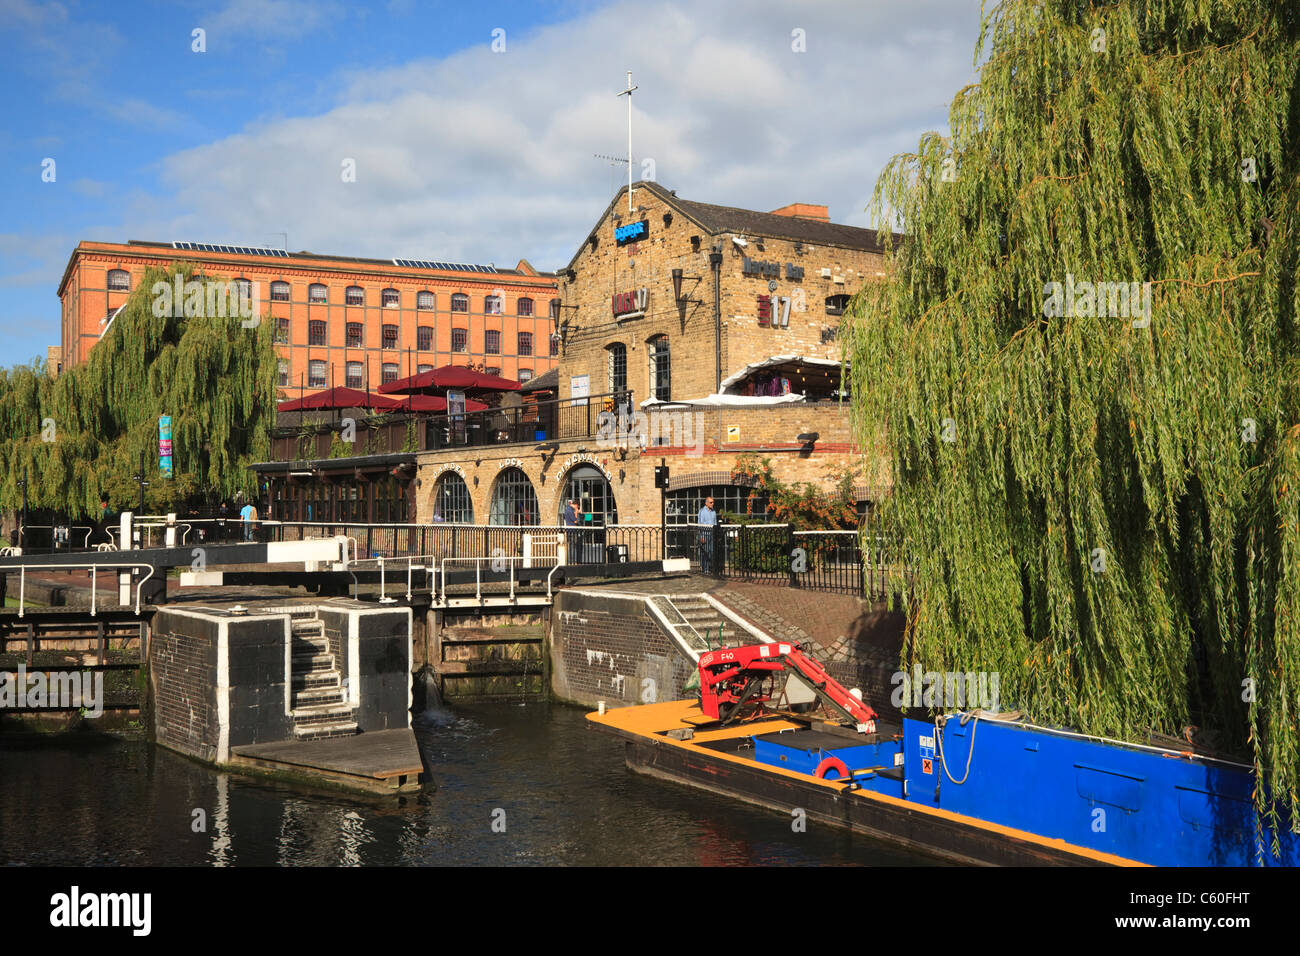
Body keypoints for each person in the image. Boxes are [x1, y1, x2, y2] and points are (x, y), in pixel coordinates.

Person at [697, 495, 717, 574]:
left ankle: (708, 568)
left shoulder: (714, 512)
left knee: (711, 551)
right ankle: (704, 569)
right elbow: (700, 524)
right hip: (705, 534)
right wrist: (701, 536)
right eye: (711, 502)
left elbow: (714, 523)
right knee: (705, 552)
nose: (712, 504)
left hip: (712, 534)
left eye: (713, 502)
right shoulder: (702, 511)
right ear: (706, 503)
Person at [563, 498, 580, 564]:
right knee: (572, 546)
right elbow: (575, 520)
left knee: (571, 546)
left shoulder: (567, 509)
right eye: (577, 507)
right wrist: (576, 512)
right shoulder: (570, 510)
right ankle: (571, 561)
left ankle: (570, 561)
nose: (577, 508)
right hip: (572, 530)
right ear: (576, 505)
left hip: (569, 530)